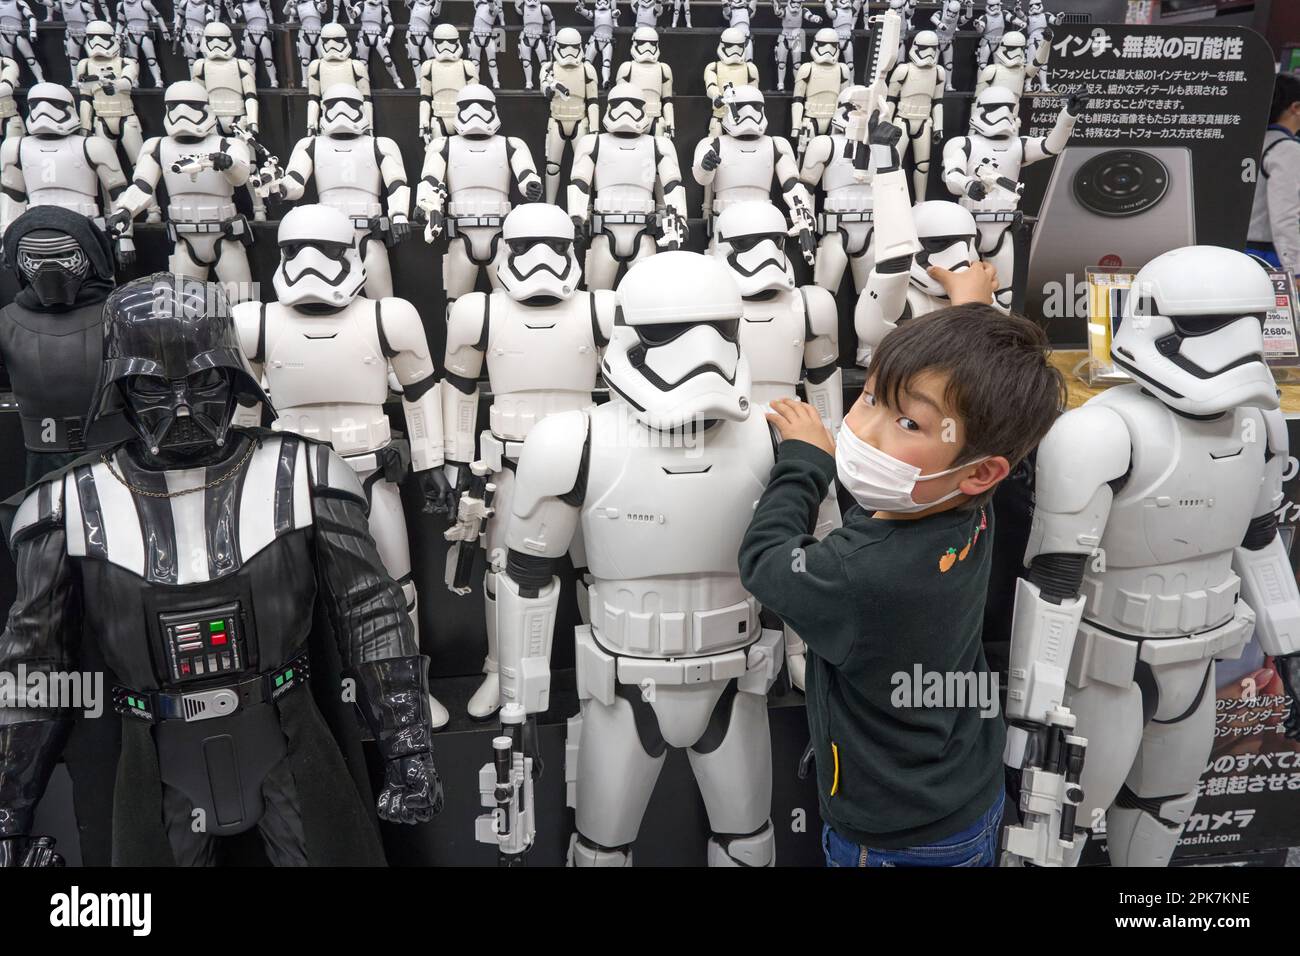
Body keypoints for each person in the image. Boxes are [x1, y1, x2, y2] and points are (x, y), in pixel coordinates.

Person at [738, 300, 1065, 867]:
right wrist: (972, 304)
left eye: (907, 422)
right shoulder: (970, 505)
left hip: (892, 833)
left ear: (980, 470)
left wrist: (804, 463)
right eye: (869, 396)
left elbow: (766, 561)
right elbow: (967, 404)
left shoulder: (855, 574)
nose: (861, 429)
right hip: (966, 786)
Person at [1247, 72, 1300, 277]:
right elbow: (1285, 215)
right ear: (1295, 108)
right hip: (1268, 255)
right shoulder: (1286, 149)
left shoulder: (1250, 142)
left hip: (1237, 249)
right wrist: (1295, 271)